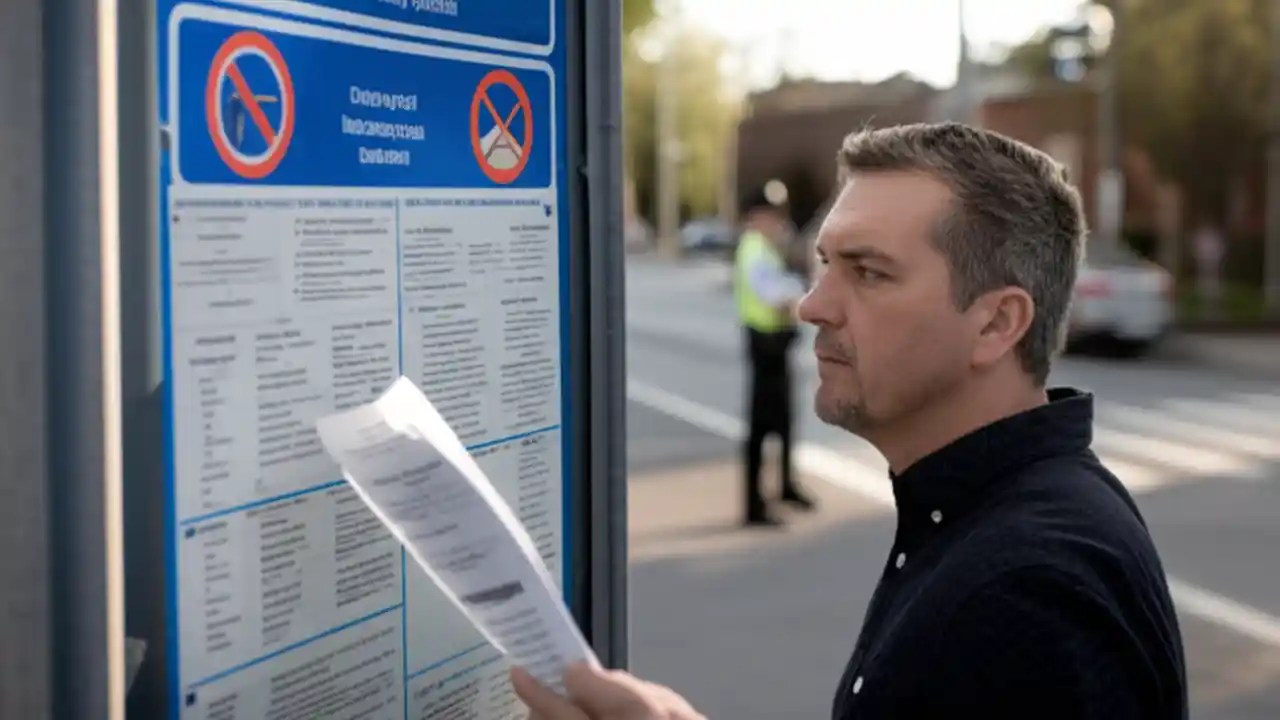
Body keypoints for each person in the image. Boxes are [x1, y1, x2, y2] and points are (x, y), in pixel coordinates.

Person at [511, 123, 1188, 719]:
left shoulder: (1027, 592)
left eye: (868, 273)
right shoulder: (982, 515)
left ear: (996, 322)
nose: (811, 305)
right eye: (825, 264)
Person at [733, 179, 817, 526]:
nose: (776, 222)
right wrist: (797, 299)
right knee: (762, 425)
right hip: (764, 345)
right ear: (755, 217)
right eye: (770, 215)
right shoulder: (754, 249)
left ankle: (785, 486)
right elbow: (776, 296)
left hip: (776, 344)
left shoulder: (766, 248)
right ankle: (754, 504)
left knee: (782, 421)